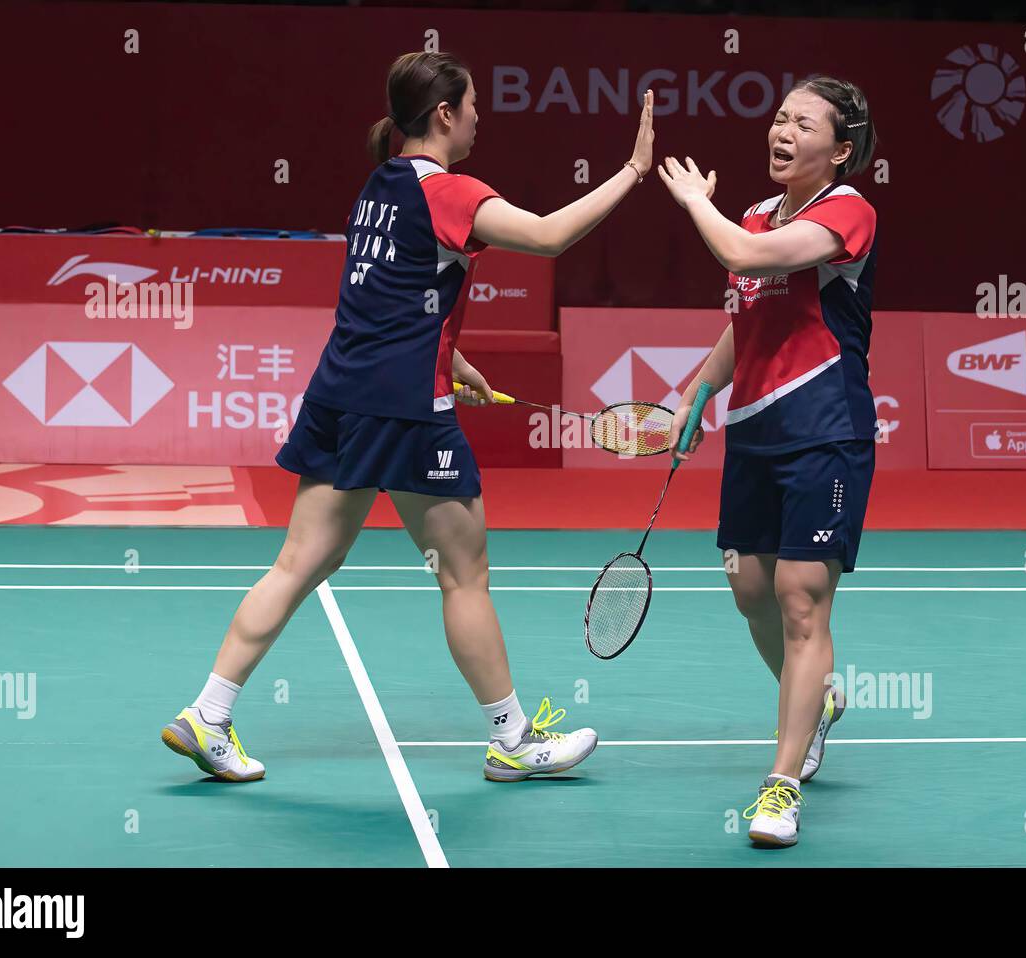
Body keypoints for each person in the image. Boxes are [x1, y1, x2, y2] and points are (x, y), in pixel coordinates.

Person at [162, 50, 656, 784]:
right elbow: (549, 236)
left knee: (301, 562)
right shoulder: (452, 192)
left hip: (341, 394)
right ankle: (512, 739)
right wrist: (633, 172)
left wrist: (452, 359)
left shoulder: (379, 185)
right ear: (445, 114)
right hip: (404, 412)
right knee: (465, 574)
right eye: (475, 104)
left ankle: (208, 712)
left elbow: (390, 296)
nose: (483, 116)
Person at [658, 75, 877, 846]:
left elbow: (746, 253)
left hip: (827, 432)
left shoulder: (848, 212)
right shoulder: (753, 211)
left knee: (799, 598)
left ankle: (781, 784)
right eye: (780, 118)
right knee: (749, 588)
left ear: (839, 150)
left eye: (803, 124)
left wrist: (693, 203)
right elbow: (743, 318)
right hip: (754, 432)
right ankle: (813, 698)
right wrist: (696, 394)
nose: (783, 132)